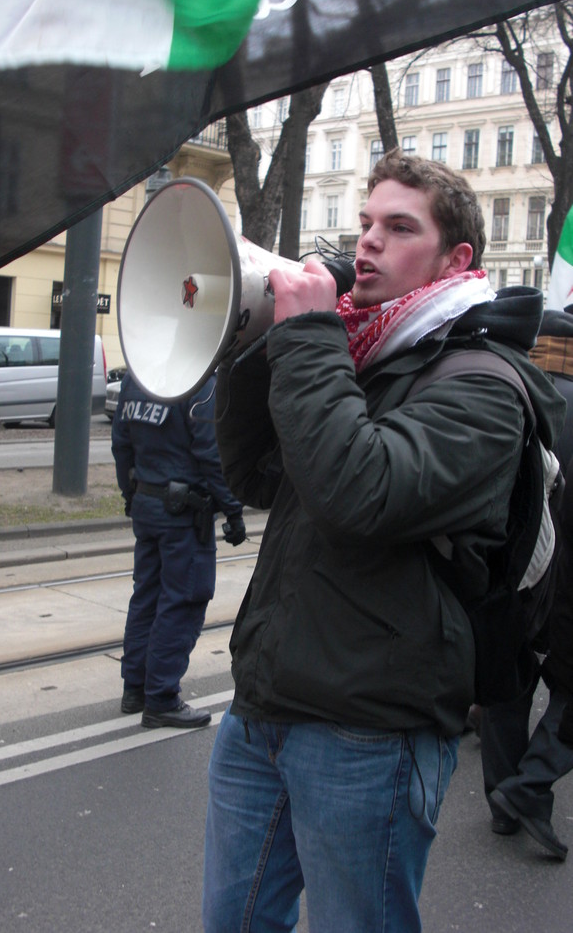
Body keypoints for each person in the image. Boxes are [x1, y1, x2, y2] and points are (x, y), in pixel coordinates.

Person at [202, 149, 565, 933]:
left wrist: (307, 342)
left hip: (369, 730)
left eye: (399, 227)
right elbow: (258, 475)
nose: (366, 241)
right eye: (365, 222)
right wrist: (256, 339)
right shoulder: (357, 357)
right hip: (264, 704)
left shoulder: (481, 385)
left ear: (454, 256)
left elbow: (359, 493)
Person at [481, 307, 573, 860]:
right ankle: (530, 784)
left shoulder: (511, 391)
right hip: (570, 577)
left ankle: (502, 801)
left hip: (517, 569)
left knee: (507, 684)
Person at [111, 371, 246, 730]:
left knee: (147, 596)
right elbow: (210, 453)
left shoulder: (134, 379)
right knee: (183, 600)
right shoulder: (196, 381)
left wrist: (130, 494)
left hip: (147, 503)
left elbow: (121, 444)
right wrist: (233, 509)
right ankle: (162, 698)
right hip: (184, 513)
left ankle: (135, 689)